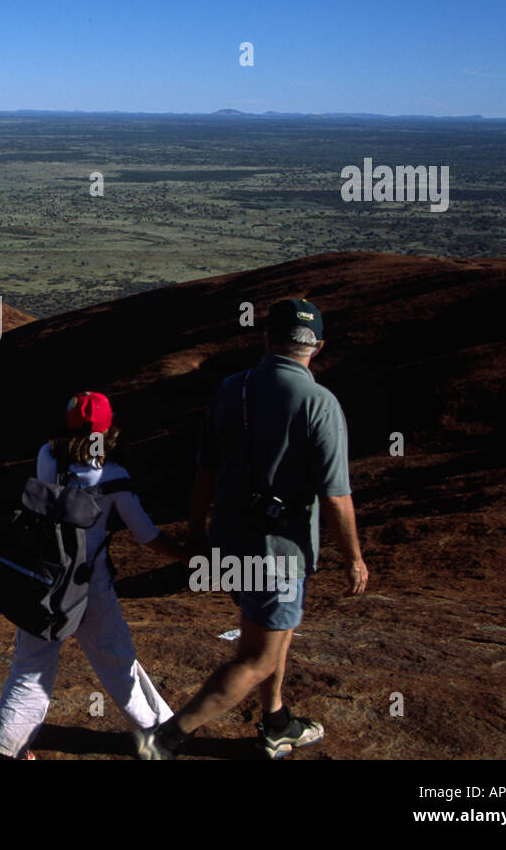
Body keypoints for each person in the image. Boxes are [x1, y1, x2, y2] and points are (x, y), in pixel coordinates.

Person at [151, 298, 368, 760]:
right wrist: (353, 558)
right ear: (318, 347)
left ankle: (276, 721)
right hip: (279, 553)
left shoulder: (231, 389)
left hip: (232, 543)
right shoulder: (319, 403)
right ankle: (166, 739)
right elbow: (335, 496)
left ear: (266, 338)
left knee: (274, 632)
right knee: (257, 656)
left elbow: (204, 473)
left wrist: (196, 534)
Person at [0, 391, 185, 760]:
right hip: (88, 586)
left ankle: (2, 751)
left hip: (44, 580)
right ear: (109, 431)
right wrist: (187, 555)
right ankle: (155, 735)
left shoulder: (47, 457)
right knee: (116, 660)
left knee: (30, 668)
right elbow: (145, 534)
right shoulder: (113, 476)